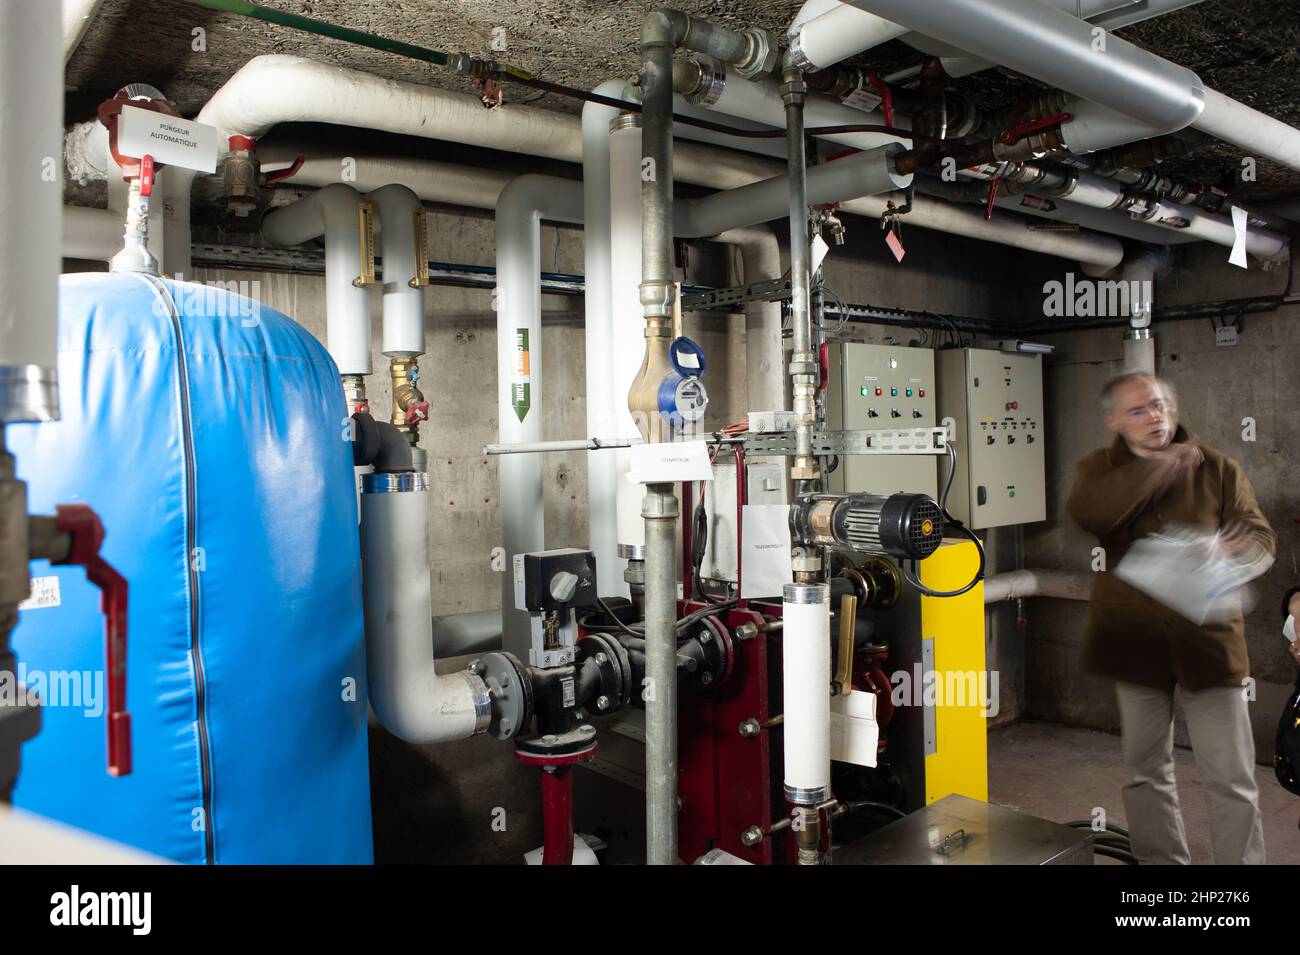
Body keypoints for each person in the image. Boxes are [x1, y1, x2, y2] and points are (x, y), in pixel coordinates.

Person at [1067, 371, 1275, 864]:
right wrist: (1158, 470)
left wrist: (1231, 551)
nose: (1155, 416)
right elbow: (1090, 514)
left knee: (1231, 777)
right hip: (1134, 644)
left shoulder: (1218, 468)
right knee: (1144, 772)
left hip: (1209, 644)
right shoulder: (1097, 469)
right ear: (1113, 420)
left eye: (1161, 405)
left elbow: (1262, 539)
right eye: (1138, 410)